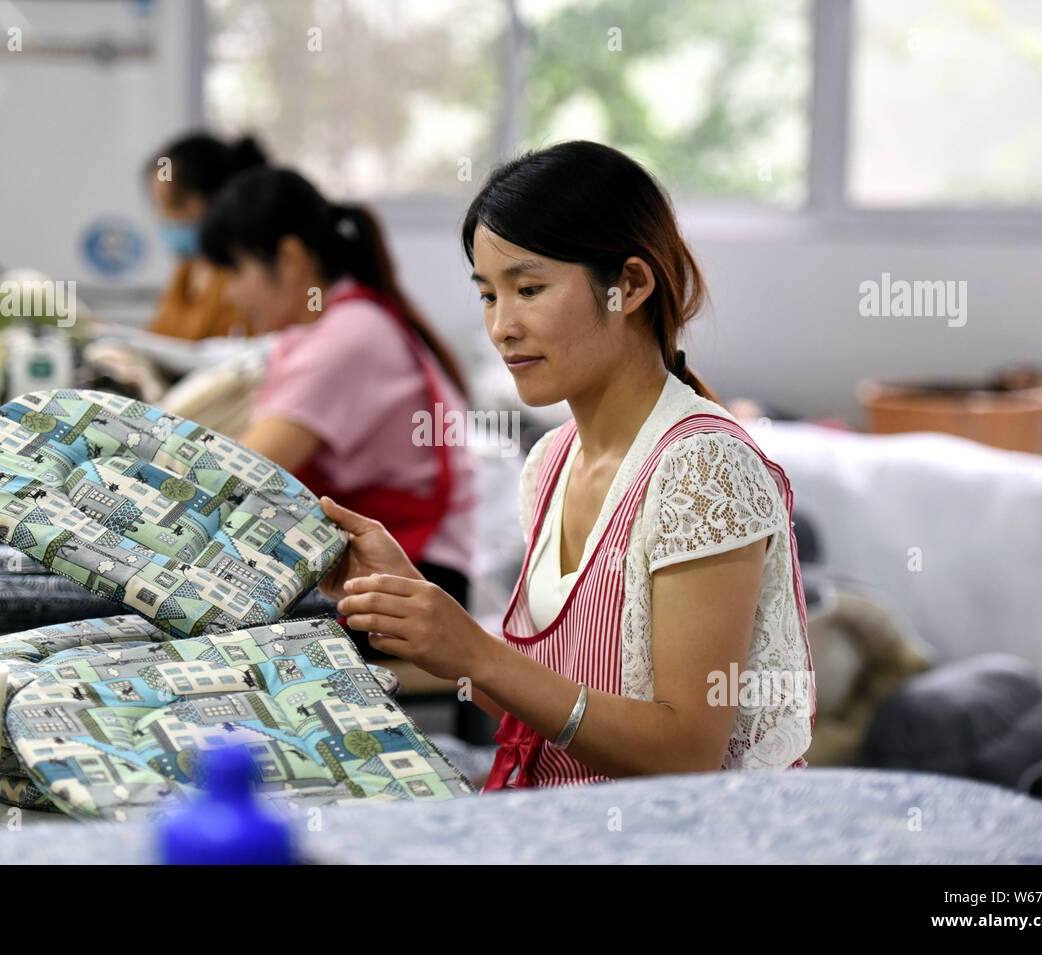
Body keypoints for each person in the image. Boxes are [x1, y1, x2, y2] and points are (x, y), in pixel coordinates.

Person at [320, 141, 816, 789]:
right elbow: (542, 708)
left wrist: (474, 652)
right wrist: (424, 611)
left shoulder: (703, 472)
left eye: (529, 289)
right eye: (488, 296)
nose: (501, 327)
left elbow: (685, 753)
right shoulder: (551, 462)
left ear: (630, 285)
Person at [199, 166, 477, 627]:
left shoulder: (350, 337)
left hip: (413, 574)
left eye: (234, 270)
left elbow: (236, 474)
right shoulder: (318, 329)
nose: (229, 294)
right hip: (377, 561)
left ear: (288, 258)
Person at [145, 132, 268, 339]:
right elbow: (156, 337)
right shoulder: (185, 272)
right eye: (161, 208)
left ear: (215, 197)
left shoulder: (243, 274)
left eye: (175, 205)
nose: (166, 218)